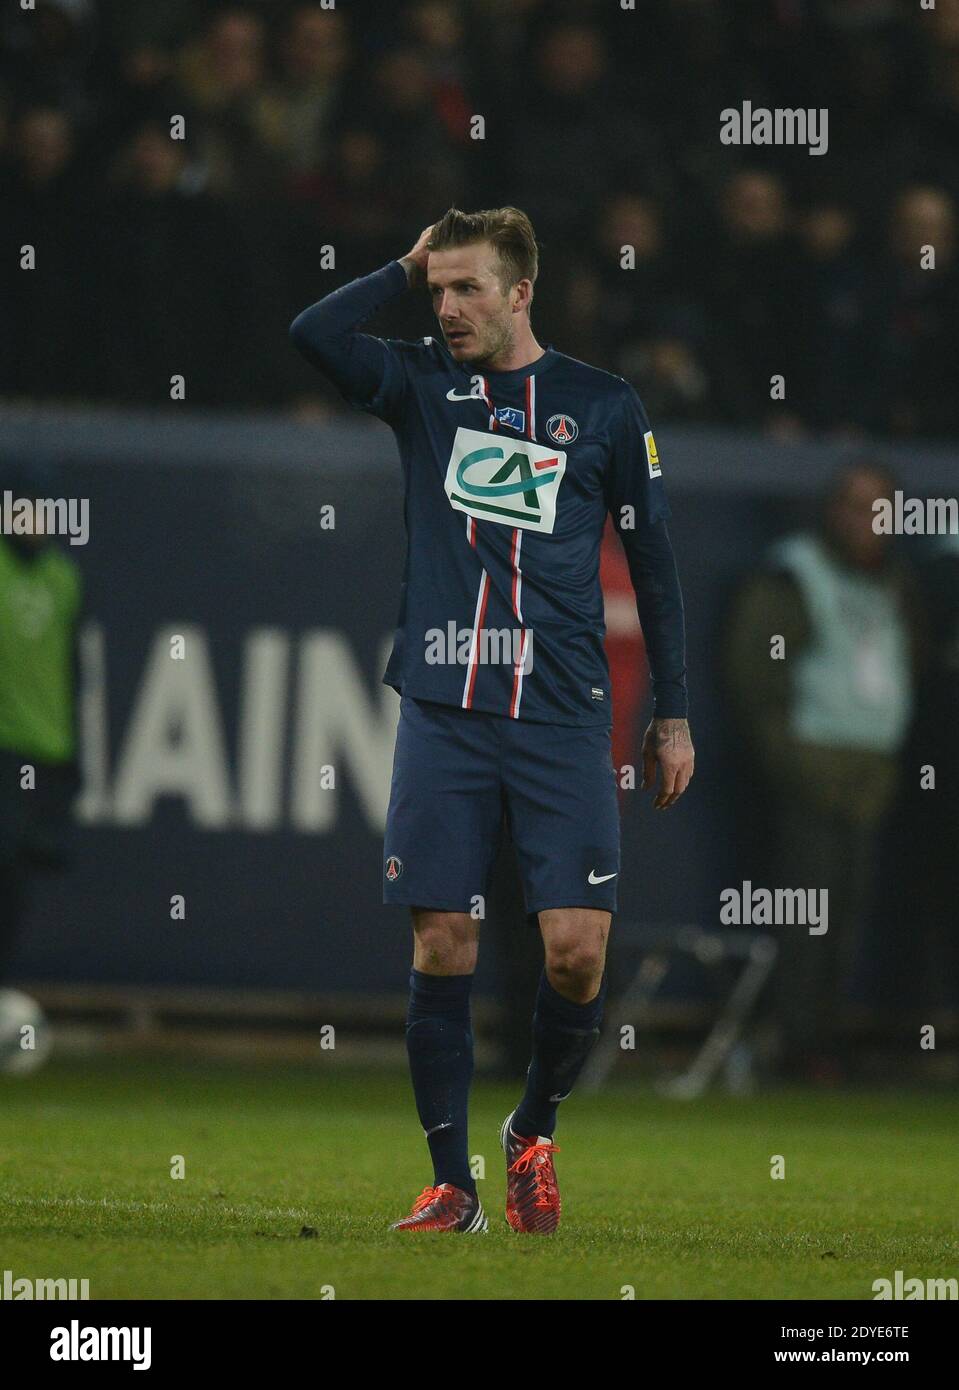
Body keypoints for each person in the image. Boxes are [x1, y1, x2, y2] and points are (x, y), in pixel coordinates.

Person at [290, 206, 693, 1234]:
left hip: (560, 712)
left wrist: (673, 715)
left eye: (468, 288)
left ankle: (532, 1130)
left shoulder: (602, 406)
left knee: (574, 951)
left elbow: (654, 567)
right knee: (442, 937)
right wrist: (400, 265)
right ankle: (449, 1185)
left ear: (521, 291)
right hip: (446, 705)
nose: (448, 308)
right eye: (438, 291)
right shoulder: (421, 385)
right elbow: (312, 334)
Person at [724, 462, 922, 1082]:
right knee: (804, 916)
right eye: (857, 506)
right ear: (832, 510)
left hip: (870, 776)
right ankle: (794, 1045)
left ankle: (825, 1042)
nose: (869, 521)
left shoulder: (894, 581)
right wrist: (793, 763)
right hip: (812, 769)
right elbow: (754, 677)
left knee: (847, 920)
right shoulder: (795, 571)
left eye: (881, 508)